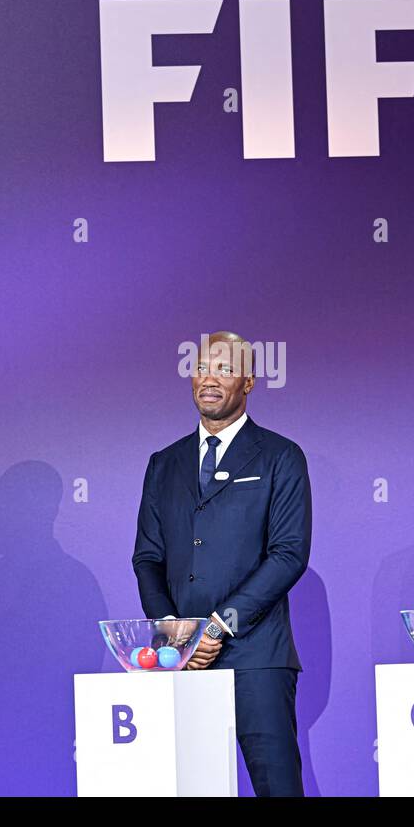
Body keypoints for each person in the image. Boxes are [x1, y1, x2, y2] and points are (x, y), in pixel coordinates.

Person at [132, 331, 312, 796]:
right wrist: (170, 625)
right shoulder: (163, 463)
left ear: (249, 382)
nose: (210, 379)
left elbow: (288, 553)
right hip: (178, 658)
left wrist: (217, 626)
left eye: (225, 369)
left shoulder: (280, 456)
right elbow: (148, 557)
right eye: (202, 368)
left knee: (278, 787)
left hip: (256, 655)